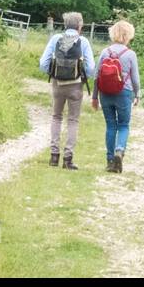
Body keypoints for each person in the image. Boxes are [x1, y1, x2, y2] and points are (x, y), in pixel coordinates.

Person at [39, 11, 95, 170]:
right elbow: (91, 68)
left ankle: (54, 156)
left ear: (65, 25)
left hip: (57, 84)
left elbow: (43, 63)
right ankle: (68, 158)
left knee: (56, 117)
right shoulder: (83, 41)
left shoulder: (56, 38)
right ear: (80, 26)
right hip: (76, 86)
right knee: (73, 120)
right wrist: (84, 77)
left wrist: (53, 74)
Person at [91, 20, 141, 174]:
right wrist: (137, 94)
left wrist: (94, 97)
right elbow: (135, 79)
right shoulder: (130, 54)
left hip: (105, 93)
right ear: (128, 35)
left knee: (111, 125)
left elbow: (96, 76)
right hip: (124, 93)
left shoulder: (105, 52)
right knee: (124, 125)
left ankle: (110, 160)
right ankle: (120, 150)